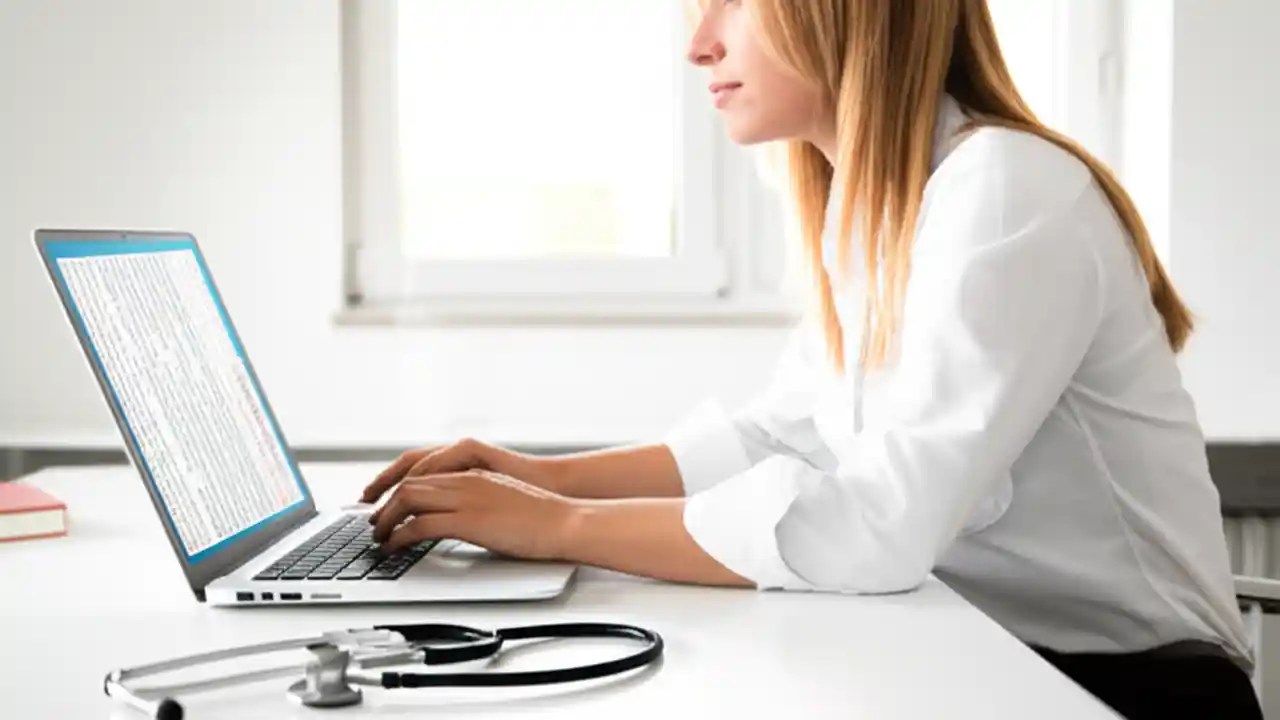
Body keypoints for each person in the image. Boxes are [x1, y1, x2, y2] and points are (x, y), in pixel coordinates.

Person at [360, 1, 1262, 717]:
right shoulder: (874, 207)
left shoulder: (1003, 191)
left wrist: (558, 529)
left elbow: (879, 524)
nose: (699, 44)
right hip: (991, 658)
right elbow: (782, 435)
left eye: (734, 2)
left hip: (1133, 689)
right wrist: (542, 481)